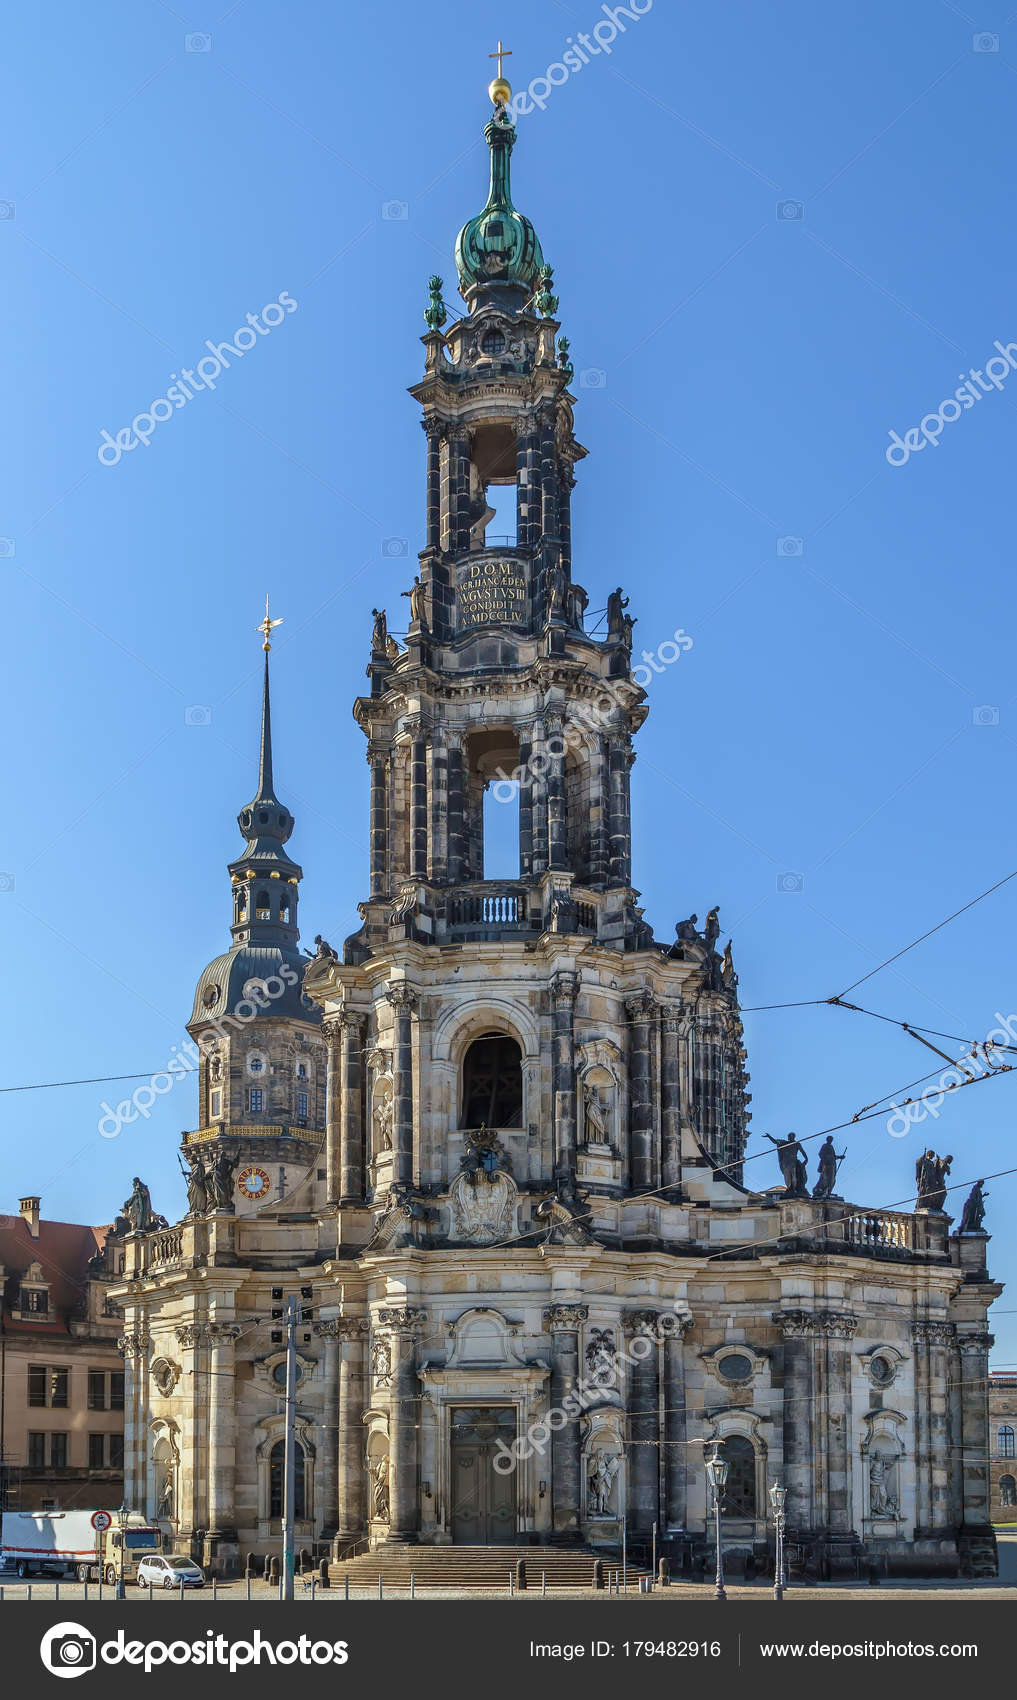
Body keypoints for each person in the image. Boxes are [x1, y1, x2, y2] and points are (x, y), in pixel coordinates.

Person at [764, 1132, 808, 1197]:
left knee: (794, 1176)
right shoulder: (784, 1143)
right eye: (788, 1136)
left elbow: (803, 1152)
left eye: (790, 1136)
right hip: (786, 1163)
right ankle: (790, 1188)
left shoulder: (797, 1144)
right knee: (787, 1176)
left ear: (793, 1137)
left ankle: (794, 1188)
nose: (789, 1137)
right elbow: (775, 1141)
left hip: (793, 1162)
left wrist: (806, 1159)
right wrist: (769, 1136)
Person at [813, 1135, 846, 1200]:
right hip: (826, 1165)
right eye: (830, 1139)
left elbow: (833, 1156)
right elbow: (820, 1154)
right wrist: (826, 1159)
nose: (831, 1141)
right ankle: (824, 1191)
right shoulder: (825, 1146)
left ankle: (828, 1191)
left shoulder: (831, 1146)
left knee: (832, 1179)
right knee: (826, 1178)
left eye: (831, 1139)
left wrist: (840, 1157)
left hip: (832, 1165)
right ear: (827, 1139)